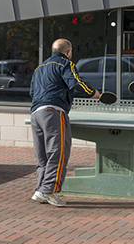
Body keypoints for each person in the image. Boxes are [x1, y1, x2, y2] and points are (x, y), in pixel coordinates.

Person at [28, 38, 100, 207]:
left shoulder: (39, 68)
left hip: (36, 114)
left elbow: (32, 92)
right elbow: (75, 82)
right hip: (54, 112)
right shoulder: (65, 64)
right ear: (68, 52)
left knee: (43, 155)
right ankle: (49, 190)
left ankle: (41, 189)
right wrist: (93, 93)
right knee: (58, 153)